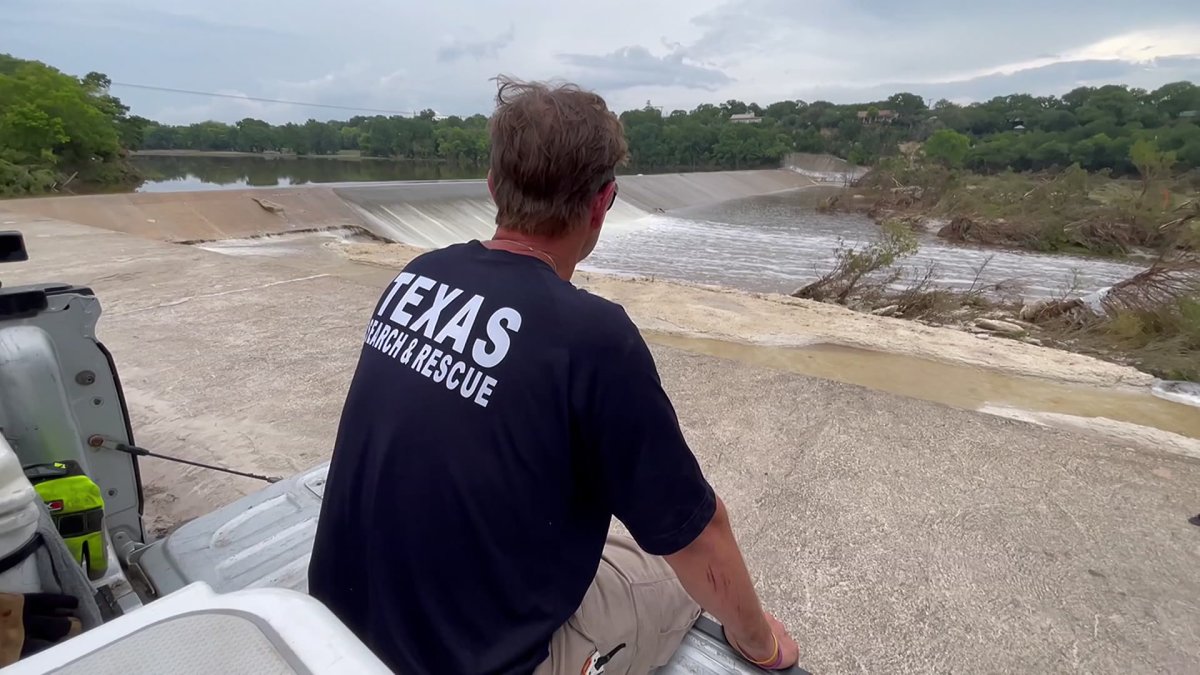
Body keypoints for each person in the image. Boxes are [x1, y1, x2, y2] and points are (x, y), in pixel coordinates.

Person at [307, 75, 800, 675]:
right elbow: (698, 534)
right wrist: (760, 644)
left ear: (493, 187)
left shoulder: (416, 277)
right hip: (466, 663)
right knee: (670, 576)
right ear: (603, 201)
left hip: (337, 625)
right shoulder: (592, 337)